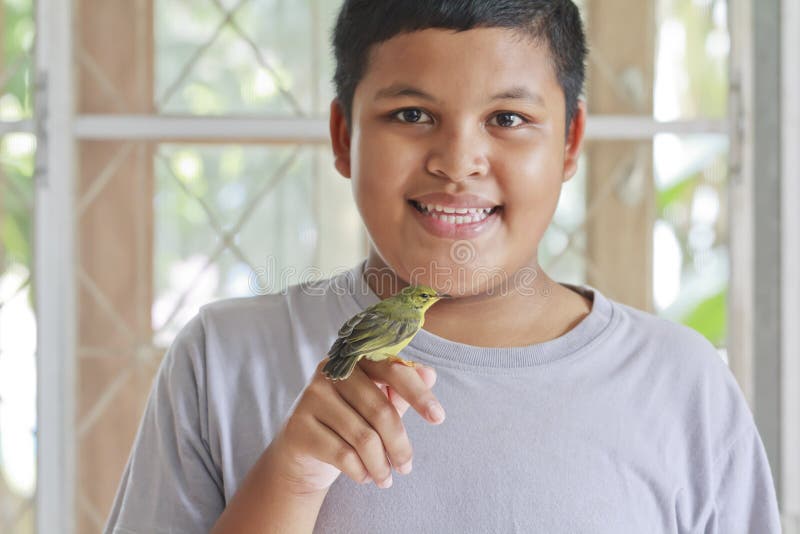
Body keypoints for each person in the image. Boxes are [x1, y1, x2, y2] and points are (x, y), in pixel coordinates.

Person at [104, 1, 782, 532]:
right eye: (411, 113)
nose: (458, 162)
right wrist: (293, 477)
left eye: (509, 118)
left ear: (571, 140)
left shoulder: (684, 387)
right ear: (344, 137)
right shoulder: (222, 363)